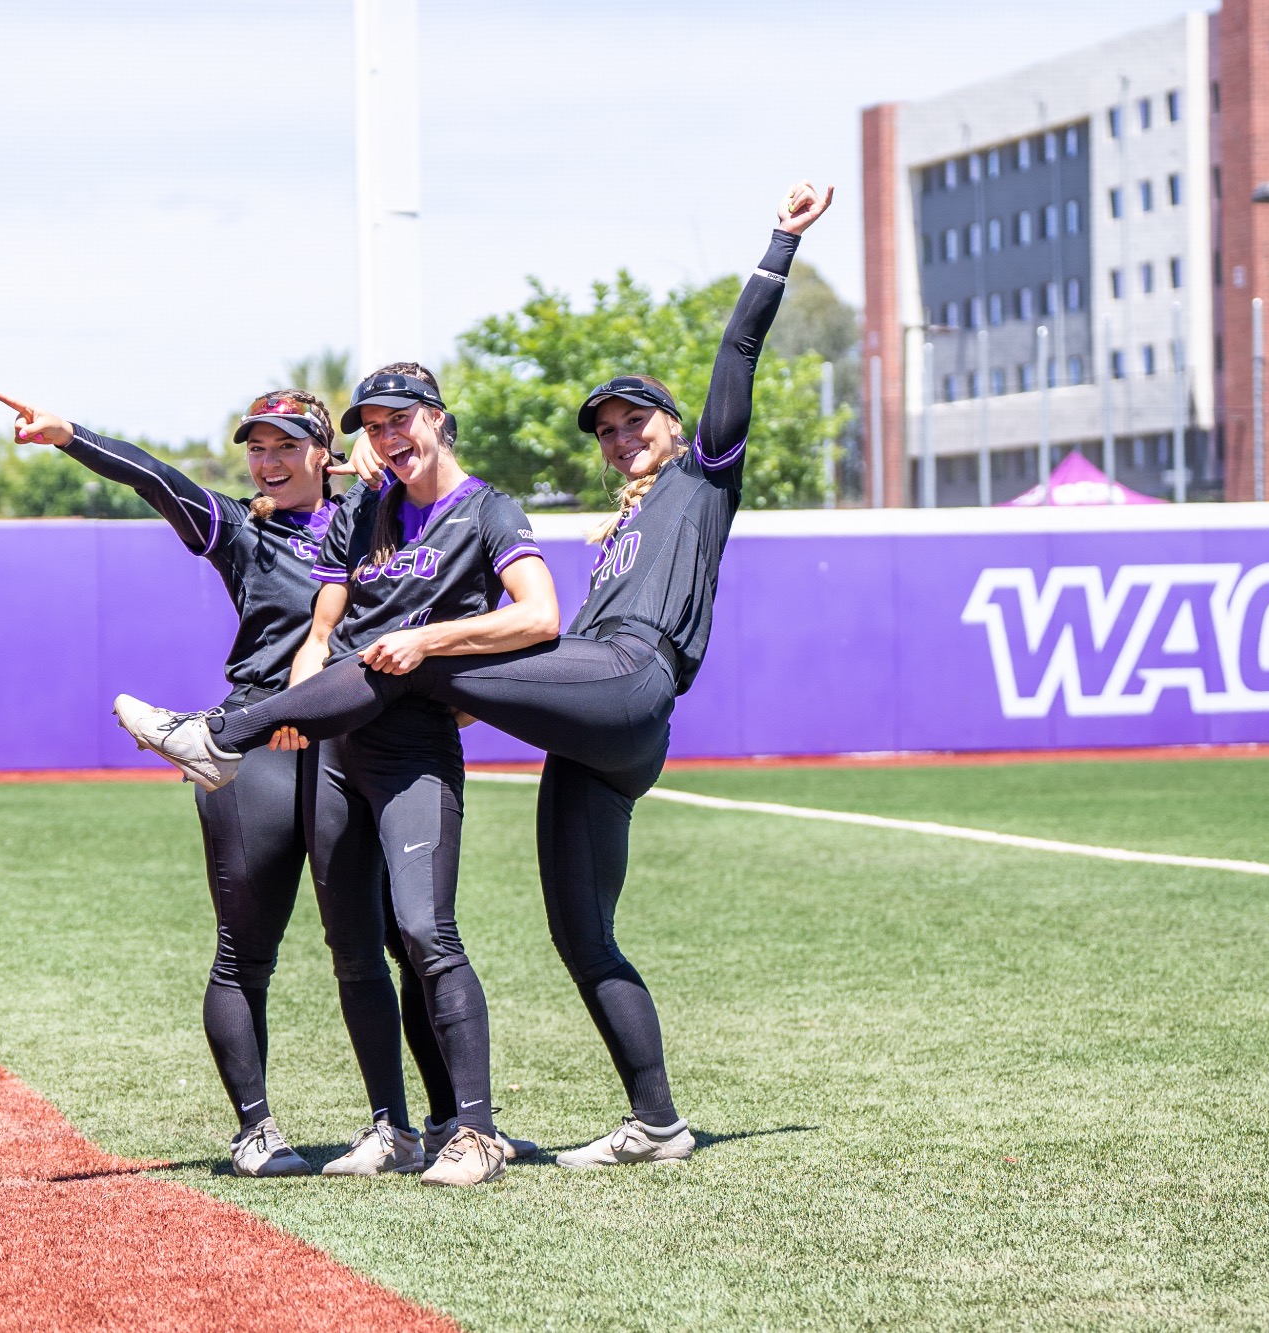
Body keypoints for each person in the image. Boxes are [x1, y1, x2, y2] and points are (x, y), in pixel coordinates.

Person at [118, 182, 834, 1169]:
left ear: (677, 426)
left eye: (637, 420)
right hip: (594, 731)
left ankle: (220, 734)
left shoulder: (703, 476)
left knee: (414, 654)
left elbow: (739, 352)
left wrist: (779, 244)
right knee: (581, 934)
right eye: (606, 429)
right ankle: (657, 1121)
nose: (622, 436)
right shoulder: (613, 522)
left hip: (632, 678)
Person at [0, 386, 476, 1180]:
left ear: (324, 451)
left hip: (347, 747)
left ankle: (420, 1124)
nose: (269, 460)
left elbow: (440, 488)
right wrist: (69, 435)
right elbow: (157, 480)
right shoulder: (242, 530)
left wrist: (378, 466)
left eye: (287, 444)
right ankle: (256, 1131)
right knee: (245, 955)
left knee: (384, 942)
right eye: (257, 447)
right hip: (257, 752)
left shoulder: (371, 516)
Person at [117, 363, 560, 1186]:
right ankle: (335, 1129)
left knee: (415, 935)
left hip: (383, 739)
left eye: (400, 420)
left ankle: (464, 1127)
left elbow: (529, 612)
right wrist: (304, 705)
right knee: (310, 950)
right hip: (306, 748)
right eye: (374, 426)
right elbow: (318, 631)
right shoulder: (316, 519)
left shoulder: (440, 508)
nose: (268, 460)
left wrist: (434, 649)